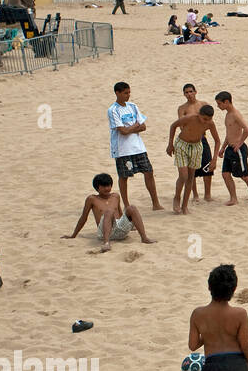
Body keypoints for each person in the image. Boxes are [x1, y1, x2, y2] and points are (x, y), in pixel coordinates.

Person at [62, 173, 157, 252]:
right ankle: (106, 243)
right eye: (104, 186)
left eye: (109, 185)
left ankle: (144, 238)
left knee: (131, 208)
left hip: (120, 230)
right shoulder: (92, 199)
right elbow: (84, 217)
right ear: (97, 188)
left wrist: (131, 226)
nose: (107, 188)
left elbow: (120, 215)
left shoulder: (115, 196)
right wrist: (73, 235)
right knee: (109, 211)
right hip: (103, 233)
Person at [108, 82, 163, 211]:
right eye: (125, 93)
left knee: (148, 171)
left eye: (129, 92)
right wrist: (133, 127)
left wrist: (130, 128)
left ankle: (155, 203)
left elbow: (143, 126)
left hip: (138, 147)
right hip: (122, 149)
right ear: (117, 93)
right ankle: (126, 205)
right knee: (124, 176)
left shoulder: (133, 106)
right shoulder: (113, 110)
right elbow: (123, 131)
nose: (128, 95)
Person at [167, 104, 220, 215]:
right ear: (199, 115)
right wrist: (170, 144)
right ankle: (177, 197)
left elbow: (217, 141)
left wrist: (214, 159)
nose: (206, 121)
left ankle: (184, 206)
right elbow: (173, 126)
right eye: (204, 119)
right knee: (183, 175)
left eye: (209, 119)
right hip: (182, 145)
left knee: (191, 177)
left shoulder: (210, 123)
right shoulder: (190, 118)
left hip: (196, 147)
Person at [215, 91, 248, 205]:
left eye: (219, 104)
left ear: (227, 102)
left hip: (238, 149)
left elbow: (247, 129)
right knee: (225, 174)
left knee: (244, 175)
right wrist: (223, 147)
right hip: (229, 148)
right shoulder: (227, 114)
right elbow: (229, 134)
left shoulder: (235, 114)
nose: (218, 106)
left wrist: (239, 143)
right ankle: (233, 199)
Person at [177, 84, 219, 203]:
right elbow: (180, 124)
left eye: (191, 91)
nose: (189, 94)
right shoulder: (182, 108)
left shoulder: (203, 104)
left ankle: (207, 194)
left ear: (195, 92)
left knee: (207, 166)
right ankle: (194, 194)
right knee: (192, 169)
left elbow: (209, 122)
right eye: (186, 92)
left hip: (202, 138)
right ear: (184, 94)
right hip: (188, 140)